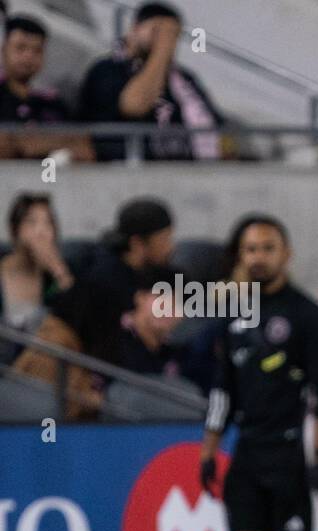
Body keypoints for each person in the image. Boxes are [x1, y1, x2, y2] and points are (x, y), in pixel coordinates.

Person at [200, 216, 318, 531]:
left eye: (267, 248)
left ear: (286, 254)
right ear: (241, 257)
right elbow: (223, 389)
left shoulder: (309, 317)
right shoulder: (234, 315)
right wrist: (209, 450)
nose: (258, 258)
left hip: (291, 448)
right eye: (250, 250)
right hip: (249, 446)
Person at [13, 197, 174, 417]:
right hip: (59, 370)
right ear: (138, 243)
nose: (170, 247)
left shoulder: (151, 275)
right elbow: (104, 349)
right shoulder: (103, 279)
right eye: (163, 240)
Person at [79, 2, 225, 161]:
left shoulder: (184, 79)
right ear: (135, 28)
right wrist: (161, 50)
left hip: (186, 169)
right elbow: (135, 105)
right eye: (158, 31)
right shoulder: (107, 69)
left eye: (172, 35)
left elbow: (215, 126)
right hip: (125, 169)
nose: (167, 41)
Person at [0, 15, 93, 162]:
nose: (28, 56)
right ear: (4, 50)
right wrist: (57, 142)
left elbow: (84, 148)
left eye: (37, 50)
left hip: (48, 181)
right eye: (20, 48)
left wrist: (26, 143)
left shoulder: (54, 102)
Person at [0, 194, 74, 361]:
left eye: (48, 223)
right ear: (14, 229)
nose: (41, 232)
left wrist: (58, 270)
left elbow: (75, 324)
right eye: (31, 222)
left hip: (43, 369)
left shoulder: (54, 277)